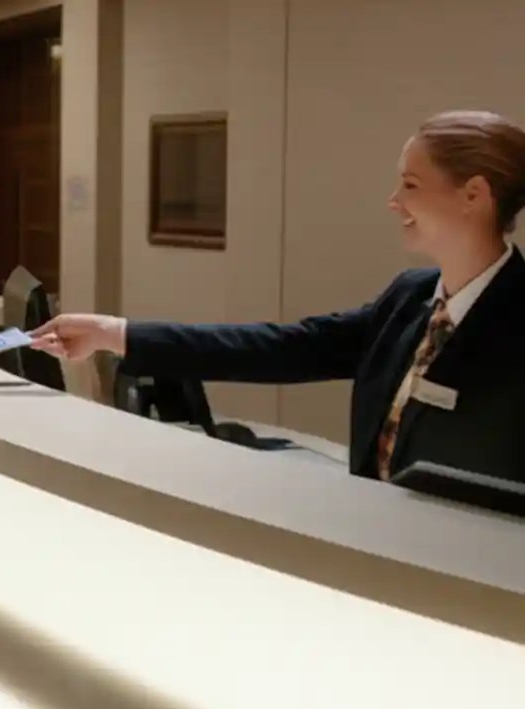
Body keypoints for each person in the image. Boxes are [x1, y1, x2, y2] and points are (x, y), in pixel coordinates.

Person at [31, 110, 525, 484]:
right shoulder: (408, 298)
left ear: (473, 195)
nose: (394, 201)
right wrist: (113, 333)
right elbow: (283, 347)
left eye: (411, 184)